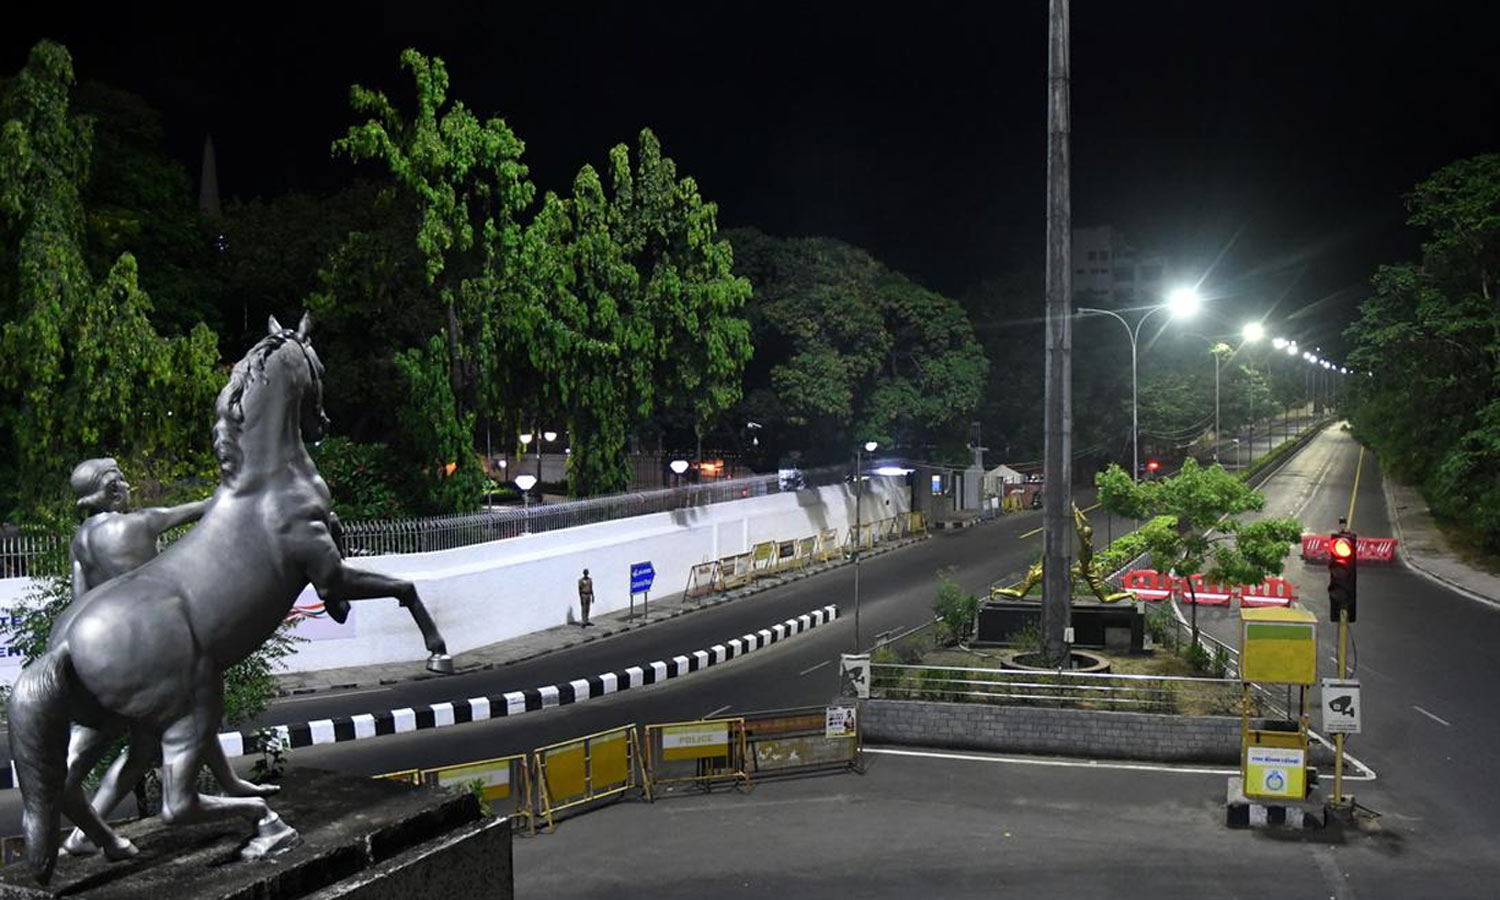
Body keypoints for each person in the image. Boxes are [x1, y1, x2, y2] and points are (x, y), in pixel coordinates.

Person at [69, 458, 209, 599]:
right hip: (151, 609)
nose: (128, 485)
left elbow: (78, 599)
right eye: (122, 480)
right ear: (113, 490)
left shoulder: (78, 541)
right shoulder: (140, 521)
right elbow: (204, 507)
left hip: (107, 615)